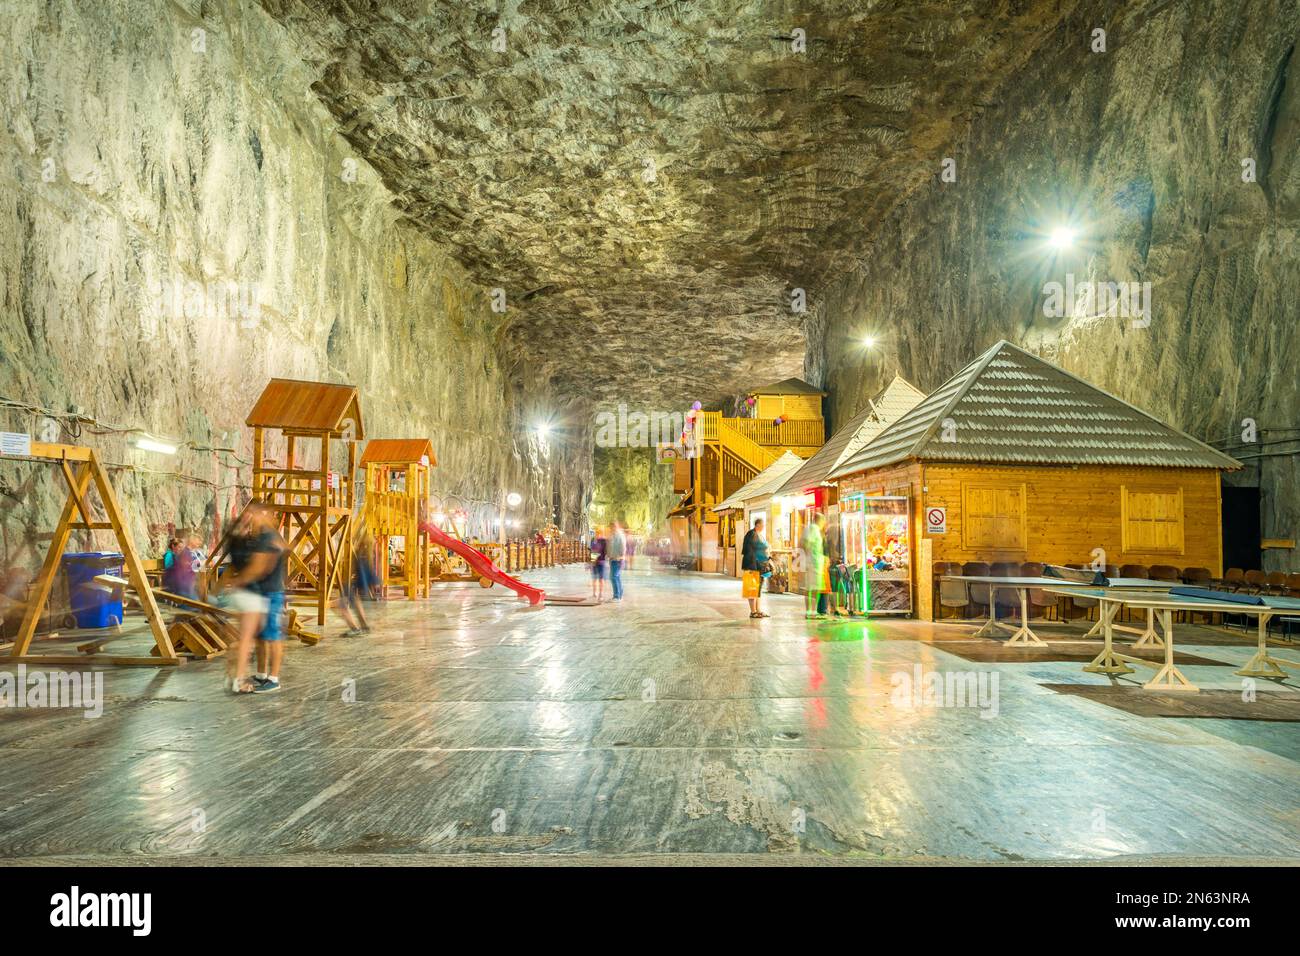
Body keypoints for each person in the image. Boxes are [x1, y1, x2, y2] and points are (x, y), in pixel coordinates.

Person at [215, 501, 287, 694]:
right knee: (257, 638)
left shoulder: (265, 538)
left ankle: (270, 678)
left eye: (254, 514)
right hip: (256, 593)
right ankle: (259, 675)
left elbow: (260, 567)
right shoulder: (256, 538)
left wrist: (235, 583)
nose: (252, 517)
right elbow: (258, 567)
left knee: (267, 637)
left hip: (266, 592)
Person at [337, 529, 376, 637]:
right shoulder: (367, 555)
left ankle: (354, 628)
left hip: (349, 583)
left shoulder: (358, 554)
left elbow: (353, 570)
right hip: (355, 584)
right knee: (355, 603)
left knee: (341, 606)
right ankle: (364, 626)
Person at [741, 517, 770, 619]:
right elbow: (753, 550)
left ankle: (758, 610)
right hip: (751, 566)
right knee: (752, 589)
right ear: (758, 525)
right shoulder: (752, 535)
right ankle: (753, 612)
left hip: (757, 566)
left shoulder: (757, 534)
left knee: (757, 589)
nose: (763, 527)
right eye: (762, 525)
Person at [800, 513, 827, 619]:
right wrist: (810, 555)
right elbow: (806, 543)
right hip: (813, 563)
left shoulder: (810, 528)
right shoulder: (813, 529)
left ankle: (810, 611)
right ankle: (812, 611)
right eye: (823, 521)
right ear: (819, 520)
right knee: (813, 589)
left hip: (812, 562)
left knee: (811, 588)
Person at [607, 521, 627, 600]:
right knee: (616, 577)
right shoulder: (614, 535)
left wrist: (620, 556)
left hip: (617, 559)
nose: (610, 529)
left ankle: (617, 596)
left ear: (614, 527)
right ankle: (619, 594)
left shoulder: (618, 535)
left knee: (613, 577)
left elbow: (622, 546)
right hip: (614, 558)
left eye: (611, 527)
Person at [590, 526, 608, 601]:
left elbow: (605, 552)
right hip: (595, 561)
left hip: (601, 561)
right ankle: (594, 593)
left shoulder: (604, 541)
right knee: (594, 578)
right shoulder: (593, 539)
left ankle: (600, 594)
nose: (597, 534)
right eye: (597, 532)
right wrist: (592, 561)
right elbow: (592, 550)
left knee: (600, 579)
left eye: (599, 532)